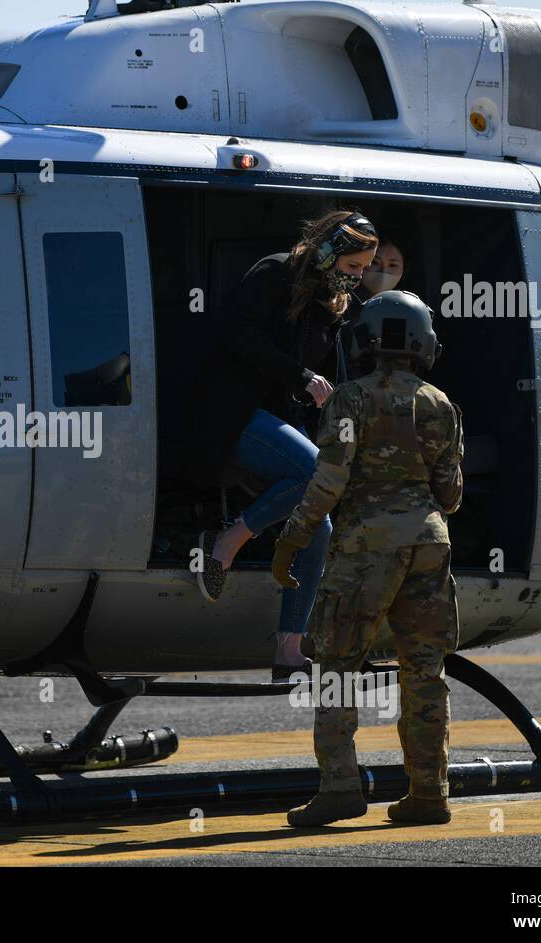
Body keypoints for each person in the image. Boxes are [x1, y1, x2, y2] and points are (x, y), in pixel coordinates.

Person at [272, 290, 464, 827]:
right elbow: (450, 494)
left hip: (364, 548)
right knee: (425, 670)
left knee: (337, 666)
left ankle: (340, 789)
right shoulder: (438, 402)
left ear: (366, 339)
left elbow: (328, 480)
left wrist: (292, 539)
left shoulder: (349, 399)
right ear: (423, 342)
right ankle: (429, 792)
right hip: (429, 543)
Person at [188, 210, 380, 682]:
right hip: (232, 415)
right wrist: (301, 378)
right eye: (353, 266)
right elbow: (239, 336)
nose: (356, 278)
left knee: (320, 525)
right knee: (319, 474)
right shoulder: (273, 271)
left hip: (276, 420)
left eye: (362, 270)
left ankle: (289, 651)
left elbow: (328, 376)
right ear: (331, 250)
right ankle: (228, 539)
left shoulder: (330, 303)